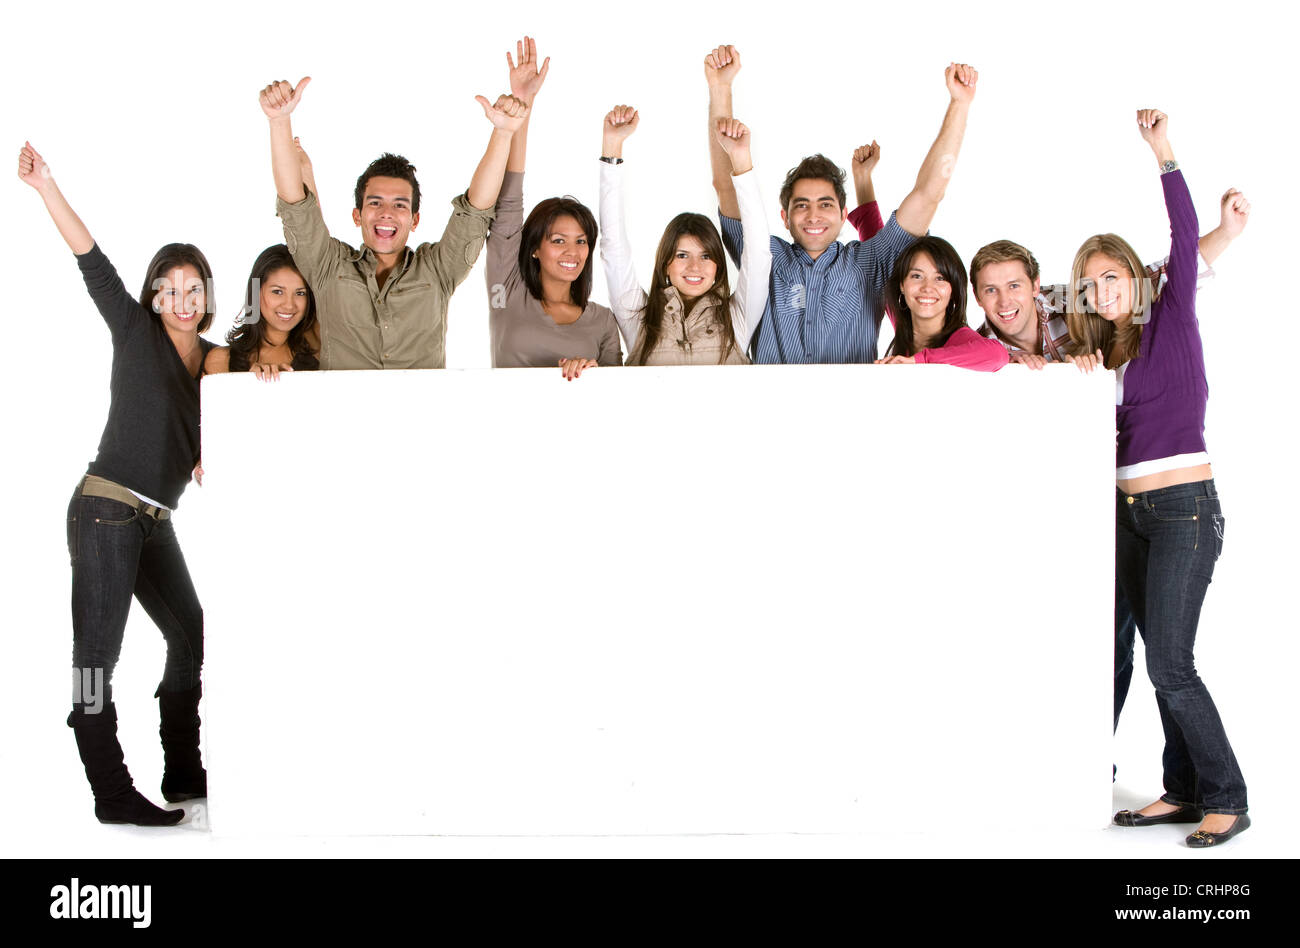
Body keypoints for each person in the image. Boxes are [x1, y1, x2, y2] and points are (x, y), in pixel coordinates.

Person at [1069, 111, 1249, 848]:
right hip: (1130, 514)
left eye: (1112, 275)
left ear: (1137, 281)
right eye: (1089, 283)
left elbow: (1182, 236)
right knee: (1153, 658)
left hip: (1183, 510)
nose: (1102, 288)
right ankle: (1181, 789)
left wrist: (1164, 153)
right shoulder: (1099, 355)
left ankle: (1228, 797)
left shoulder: (1172, 312)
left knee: (1174, 664)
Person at [19, 141, 209, 826]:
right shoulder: (134, 330)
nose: (181, 299)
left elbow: (261, 378)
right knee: (95, 659)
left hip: (155, 521)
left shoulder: (218, 361)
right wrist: (47, 187)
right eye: (170, 287)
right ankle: (110, 790)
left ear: (208, 297)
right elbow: (91, 260)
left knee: (190, 632)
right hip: (103, 510)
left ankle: (183, 770)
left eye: (194, 288)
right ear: (155, 293)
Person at [704, 45, 977, 363]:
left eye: (825, 204)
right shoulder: (764, 257)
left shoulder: (870, 261)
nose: (814, 215)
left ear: (845, 214)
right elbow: (726, 187)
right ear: (785, 217)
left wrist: (959, 104)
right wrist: (720, 88)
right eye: (802, 205)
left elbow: (928, 194)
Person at [259, 73, 529, 369]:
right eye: (375, 203)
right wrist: (279, 121)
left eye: (399, 205)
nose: (386, 213)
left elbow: (476, 210)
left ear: (414, 220)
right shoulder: (328, 266)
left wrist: (503, 134)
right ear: (357, 215)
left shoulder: (436, 270)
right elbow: (296, 206)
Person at [485, 37, 621, 380]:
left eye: (581, 241)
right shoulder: (508, 290)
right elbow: (509, 201)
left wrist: (591, 373)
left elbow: (619, 394)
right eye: (558, 240)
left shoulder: (603, 321)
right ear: (535, 248)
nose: (572, 251)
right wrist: (523, 103)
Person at [599, 104, 770, 366]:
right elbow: (613, 248)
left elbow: (758, 254)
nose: (695, 267)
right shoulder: (640, 318)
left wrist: (741, 160)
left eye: (705, 256)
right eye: (682, 255)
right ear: (666, 263)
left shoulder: (736, 319)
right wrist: (612, 150)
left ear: (717, 268)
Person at [875, 236, 1007, 370]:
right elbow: (878, 256)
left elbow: (998, 354)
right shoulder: (903, 324)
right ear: (902, 285)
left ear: (953, 289)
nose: (927, 287)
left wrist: (921, 360)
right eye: (917, 276)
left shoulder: (959, 338)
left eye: (940, 278)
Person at [204, 244, 319, 380]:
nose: (289, 305)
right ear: (256, 291)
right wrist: (250, 383)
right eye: (277, 291)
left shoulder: (322, 357)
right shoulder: (221, 361)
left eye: (300, 293)